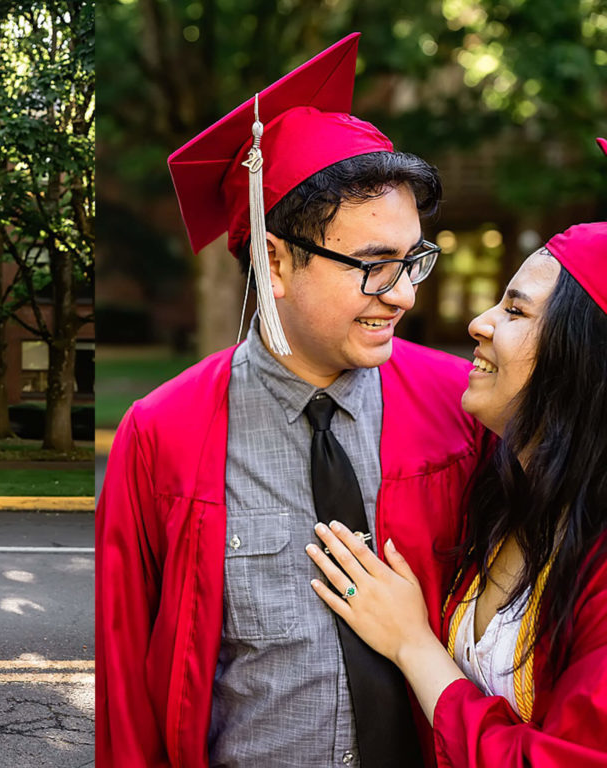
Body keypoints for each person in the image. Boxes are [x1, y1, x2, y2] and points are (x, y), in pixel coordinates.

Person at [96, 33, 493, 767]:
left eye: (415, 260)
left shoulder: (463, 409)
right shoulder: (164, 434)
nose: (404, 294)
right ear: (275, 261)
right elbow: (128, 683)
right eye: (375, 267)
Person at [306, 148, 607, 766]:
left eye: (515, 310)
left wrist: (414, 644)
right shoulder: (504, 495)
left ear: (582, 360)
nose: (478, 321)